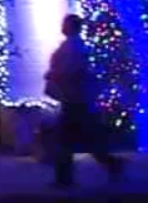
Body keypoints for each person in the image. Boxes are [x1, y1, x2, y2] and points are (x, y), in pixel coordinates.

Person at [45, 14, 123, 188]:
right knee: (81, 139)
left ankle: (65, 178)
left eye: (65, 24)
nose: (62, 27)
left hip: (75, 100)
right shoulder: (75, 47)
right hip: (77, 99)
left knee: (66, 140)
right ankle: (111, 164)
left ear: (71, 27)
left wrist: (55, 77)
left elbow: (74, 72)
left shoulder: (74, 48)